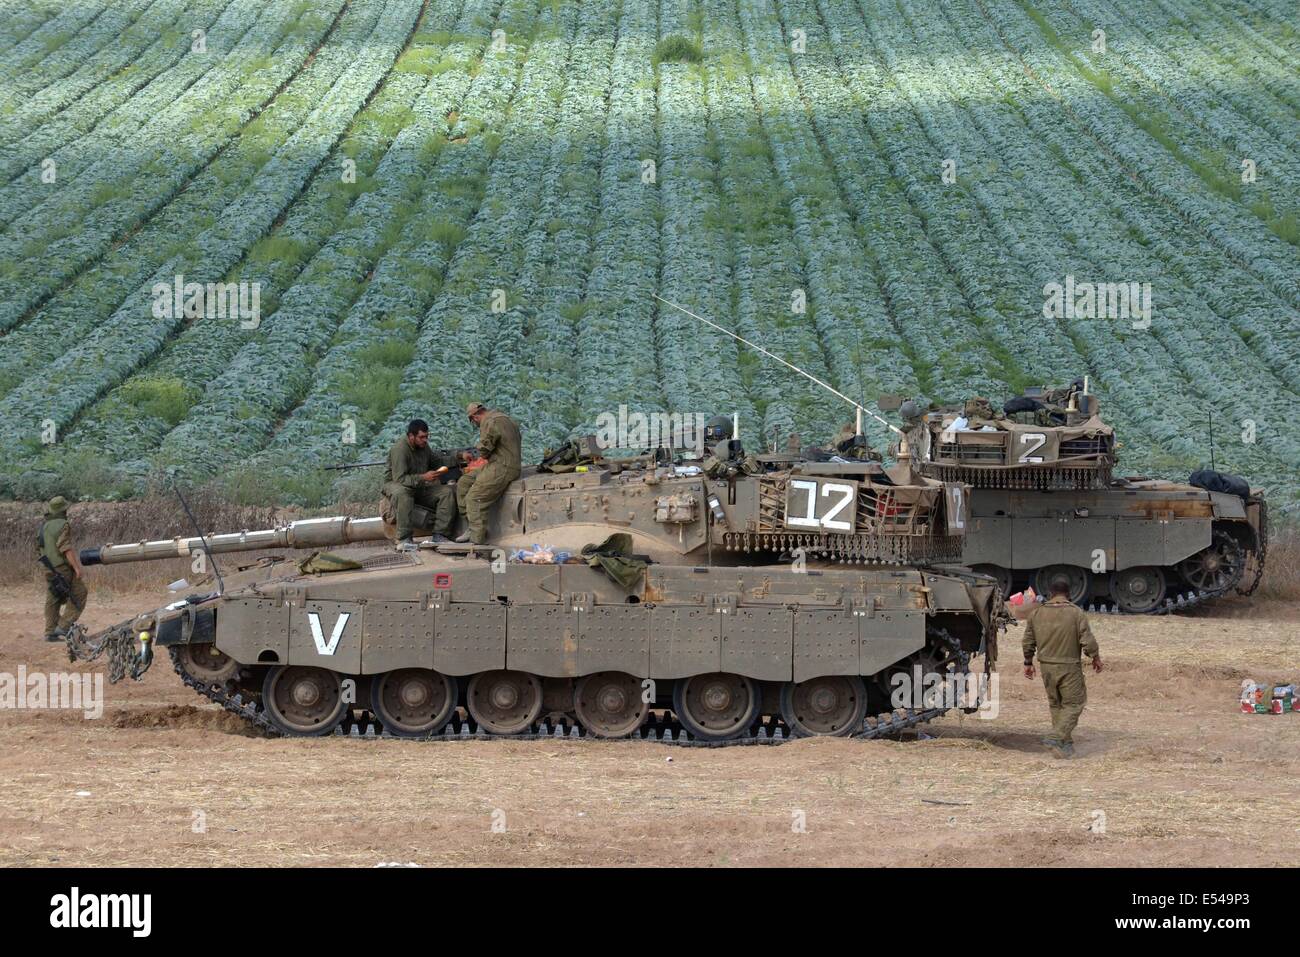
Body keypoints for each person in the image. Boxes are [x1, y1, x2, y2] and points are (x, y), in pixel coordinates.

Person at [1022, 580, 1103, 758]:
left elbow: (1028, 640)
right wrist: (1095, 657)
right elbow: (1087, 640)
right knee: (1075, 703)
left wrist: (1028, 662)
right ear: (1069, 594)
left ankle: (1065, 745)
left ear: (1051, 593)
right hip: (1068, 665)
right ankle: (1056, 736)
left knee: (1056, 704)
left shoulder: (1037, 613)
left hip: (1046, 666)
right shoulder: (1076, 613)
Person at [383, 419, 457, 548]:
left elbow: (437, 462)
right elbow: (400, 479)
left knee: (447, 492)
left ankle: (440, 534)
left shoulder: (423, 446)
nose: (425, 440)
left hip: (418, 485)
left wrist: (459, 457)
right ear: (411, 436)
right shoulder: (400, 449)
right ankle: (404, 539)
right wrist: (423, 477)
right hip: (395, 484)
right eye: (422, 437)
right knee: (403, 493)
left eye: (427, 437)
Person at [454, 402, 521, 544]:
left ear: (475, 417)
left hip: (502, 466)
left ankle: (476, 542)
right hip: (500, 463)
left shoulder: (489, 422)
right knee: (464, 482)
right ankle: (472, 526)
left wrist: (476, 452)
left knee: (474, 498)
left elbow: (484, 450)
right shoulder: (504, 418)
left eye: (473, 421)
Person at [36, 496, 87, 642]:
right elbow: (65, 547)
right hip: (62, 567)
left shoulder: (43, 526)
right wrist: (77, 568)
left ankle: (50, 631)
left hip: (48, 567)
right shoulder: (63, 524)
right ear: (64, 509)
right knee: (79, 593)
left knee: (53, 597)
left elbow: (38, 548)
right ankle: (64, 626)